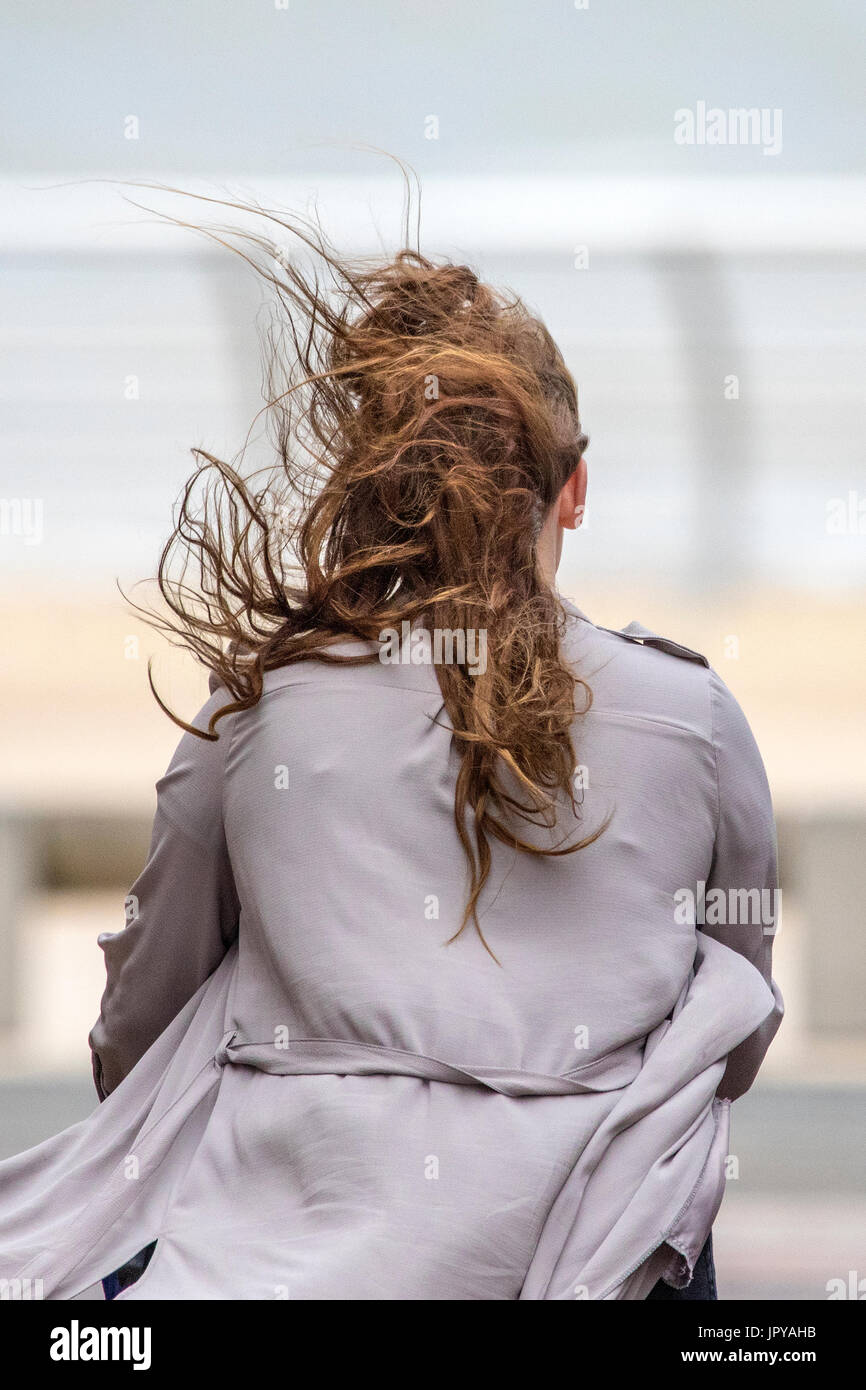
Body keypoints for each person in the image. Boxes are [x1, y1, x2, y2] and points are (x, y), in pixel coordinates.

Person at [0, 199, 782, 1300]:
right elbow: (736, 1036)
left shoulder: (259, 712)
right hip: (591, 1267)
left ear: (375, 493)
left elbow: (143, 1019)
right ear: (575, 487)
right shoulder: (690, 718)